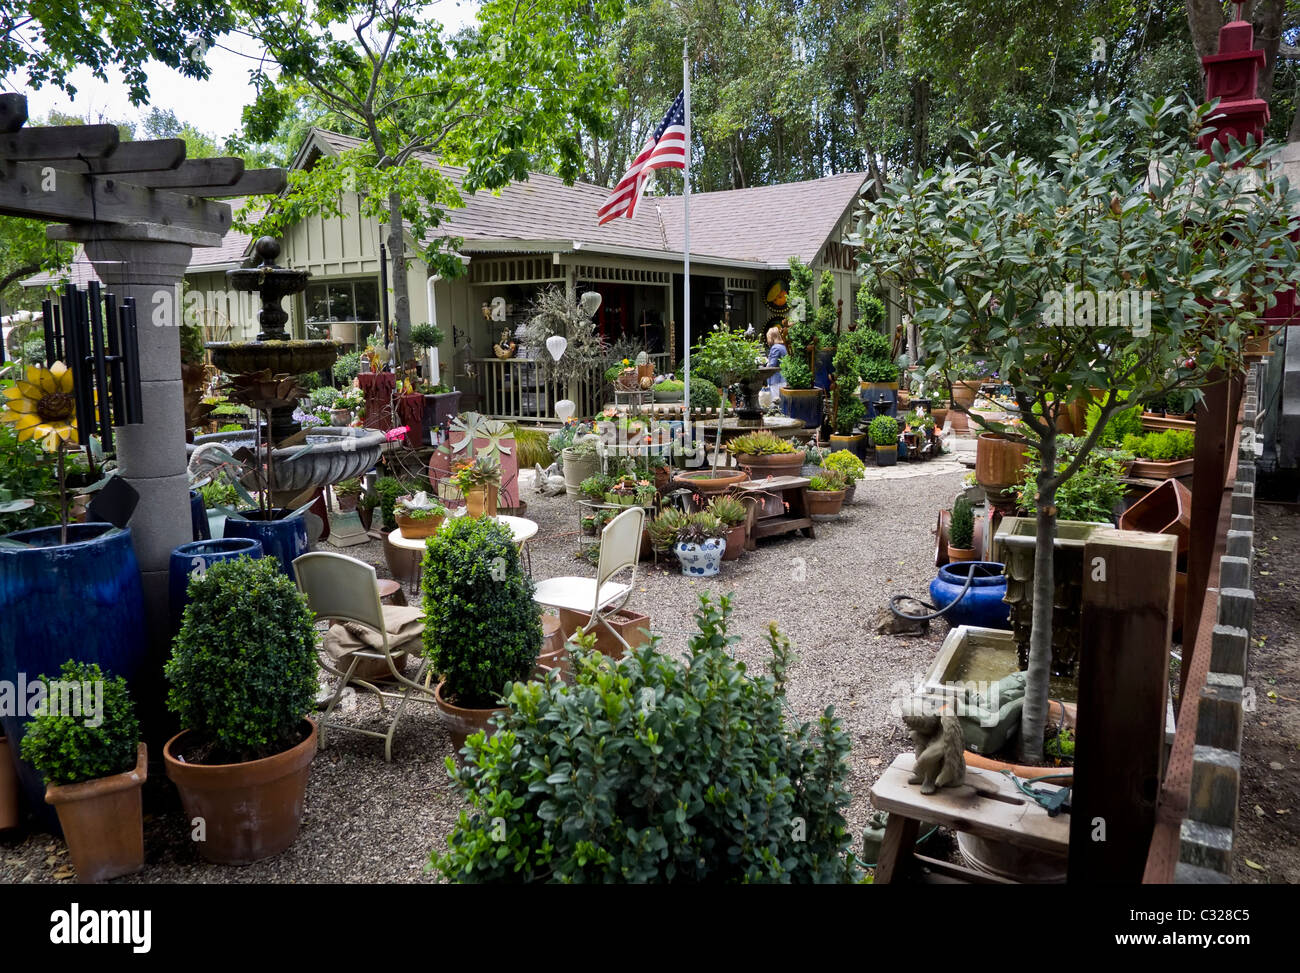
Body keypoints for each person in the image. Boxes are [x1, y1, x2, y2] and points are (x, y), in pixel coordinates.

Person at [765, 325, 787, 401]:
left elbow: (772, 366)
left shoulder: (775, 348)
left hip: (776, 381)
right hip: (784, 380)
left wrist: (766, 362)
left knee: (775, 405)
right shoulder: (784, 347)